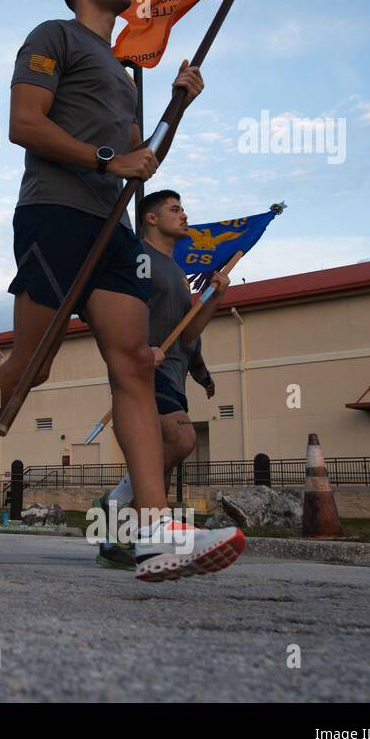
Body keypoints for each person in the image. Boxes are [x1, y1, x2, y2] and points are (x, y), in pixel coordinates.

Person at [0, 0, 244, 581]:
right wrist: (104, 160)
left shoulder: (124, 73)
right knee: (29, 368)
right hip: (55, 214)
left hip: (112, 228)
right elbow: (23, 124)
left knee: (137, 363)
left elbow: (138, 159)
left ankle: (148, 529)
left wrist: (178, 104)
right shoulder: (53, 37)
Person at [95, 190, 229, 568]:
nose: (184, 215)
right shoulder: (138, 257)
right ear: (151, 218)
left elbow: (186, 333)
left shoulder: (176, 270)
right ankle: (117, 500)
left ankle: (125, 543)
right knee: (182, 436)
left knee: (160, 468)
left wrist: (214, 299)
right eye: (175, 209)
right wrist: (140, 346)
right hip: (142, 370)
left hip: (173, 371)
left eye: (183, 208)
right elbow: (116, 310)